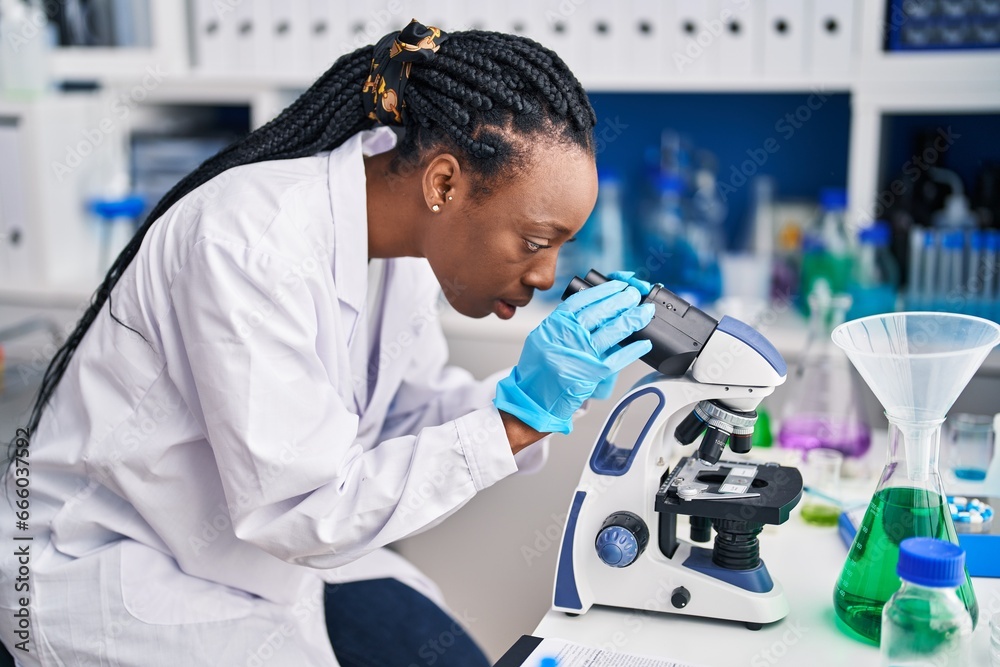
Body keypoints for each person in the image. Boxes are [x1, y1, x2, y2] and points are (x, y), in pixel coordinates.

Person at [0, 21, 653, 666]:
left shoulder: (395, 245)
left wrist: (529, 400)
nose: (545, 276)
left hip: (229, 547)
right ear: (444, 183)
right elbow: (303, 508)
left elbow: (401, 416)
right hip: (101, 564)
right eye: (536, 241)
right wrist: (512, 422)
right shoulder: (250, 243)